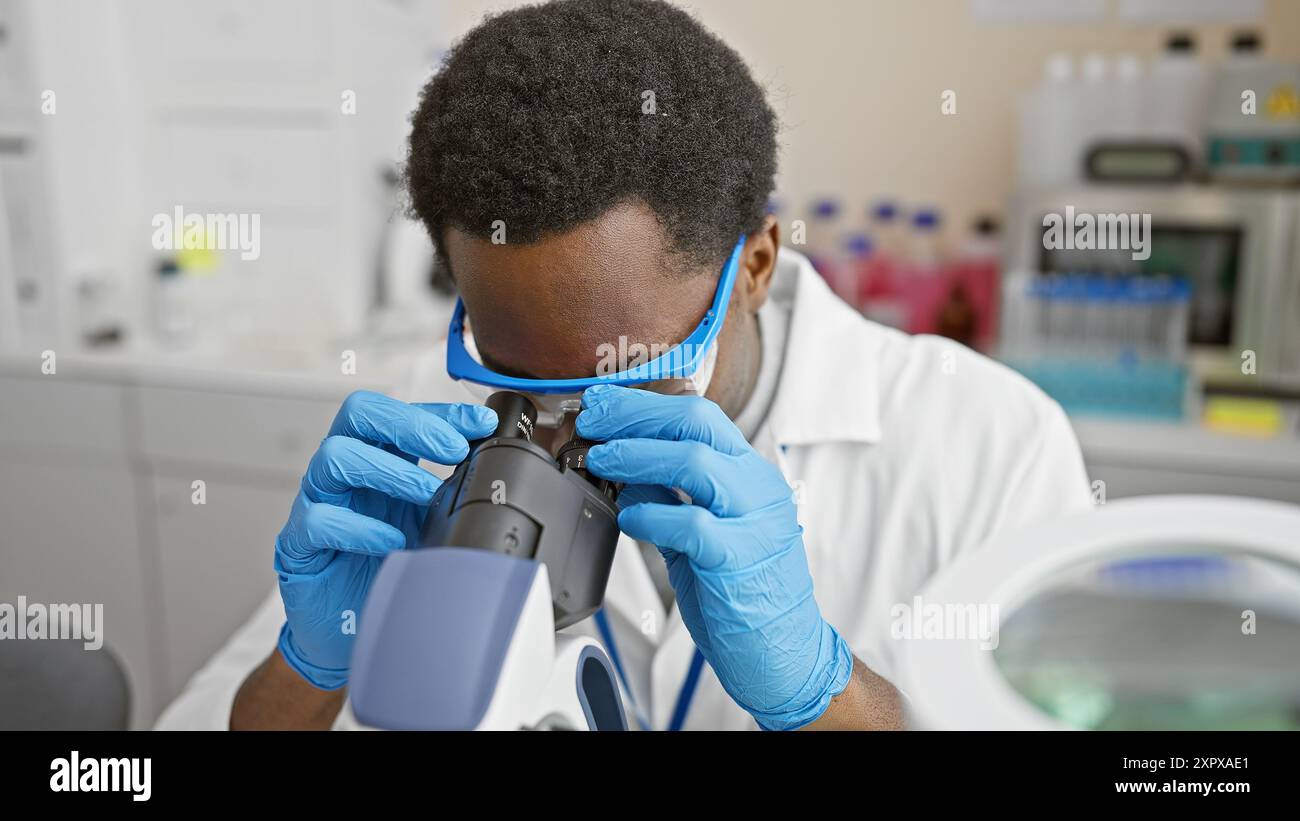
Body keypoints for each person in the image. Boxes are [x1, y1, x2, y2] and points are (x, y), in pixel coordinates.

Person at [156, 0, 1091, 732]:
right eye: (515, 371)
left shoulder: (989, 441)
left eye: (625, 370)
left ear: (754, 266)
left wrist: (824, 693)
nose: (557, 423)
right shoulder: (423, 419)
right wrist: (316, 661)